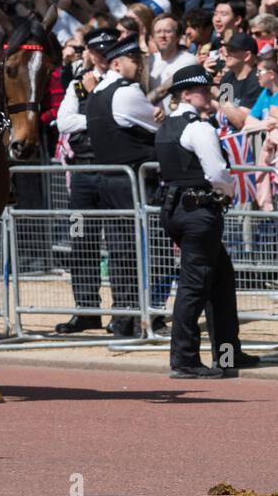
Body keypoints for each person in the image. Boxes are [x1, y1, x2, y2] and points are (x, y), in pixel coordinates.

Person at [156, 65, 259, 377]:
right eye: (202, 89)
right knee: (194, 286)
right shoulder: (199, 128)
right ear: (186, 93)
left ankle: (227, 354)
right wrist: (227, 194)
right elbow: (215, 172)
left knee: (220, 280)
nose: (209, 93)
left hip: (177, 210)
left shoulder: (165, 127)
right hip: (199, 212)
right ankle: (184, 361)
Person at [86, 35, 161, 337]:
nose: (141, 65)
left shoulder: (97, 94)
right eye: (135, 60)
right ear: (117, 63)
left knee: (121, 252)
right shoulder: (127, 93)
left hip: (112, 182)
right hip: (135, 184)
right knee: (149, 251)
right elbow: (160, 129)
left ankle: (125, 317)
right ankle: (147, 317)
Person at [53, 27, 118, 333]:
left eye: (108, 50)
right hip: (83, 174)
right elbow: (65, 121)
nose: (103, 56)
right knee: (81, 241)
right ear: (91, 53)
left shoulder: (122, 81)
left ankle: (124, 312)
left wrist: (94, 115)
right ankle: (87, 310)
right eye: (98, 51)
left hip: (114, 171)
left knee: (120, 243)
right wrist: (101, 120)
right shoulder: (80, 84)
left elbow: (123, 120)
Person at [217, 32, 260, 130]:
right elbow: (222, 111)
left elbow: (241, 121)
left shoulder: (257, 78)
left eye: (232, 50)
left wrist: (218, 97)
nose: (226, 54)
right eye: (227, 49)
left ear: (247, 56)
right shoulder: (228, 77)